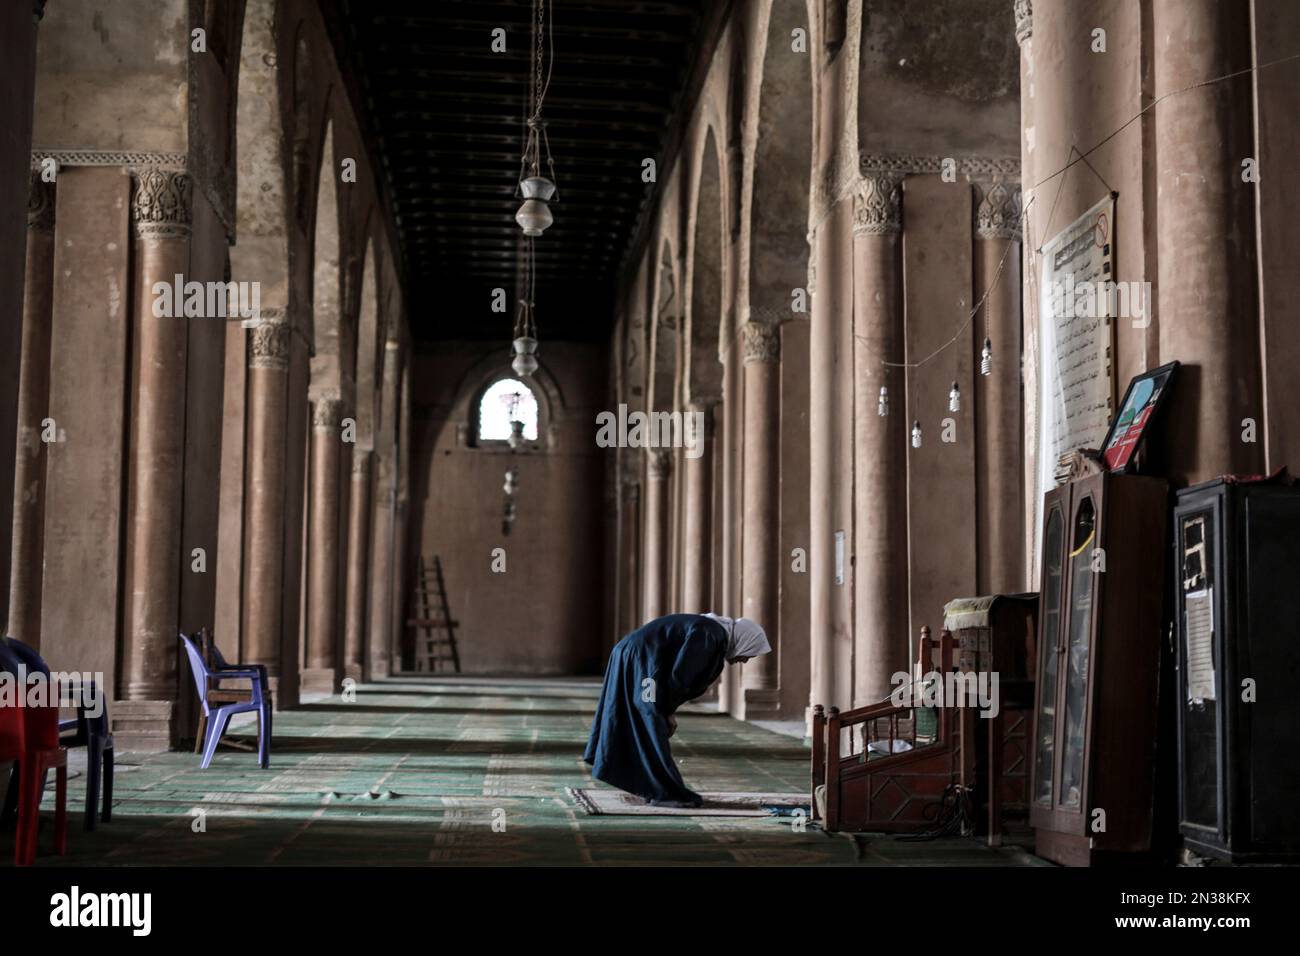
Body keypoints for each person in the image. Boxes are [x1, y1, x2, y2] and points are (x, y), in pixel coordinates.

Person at [582, 612, 771, 807]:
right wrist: (667, 711)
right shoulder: (711, 633)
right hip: (643, 659)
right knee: (651, 721)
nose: (746, 660)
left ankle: (653, 787)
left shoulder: (713, 633)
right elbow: (681, 676)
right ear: (745, 640)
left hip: (636, 656)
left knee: (646, 719)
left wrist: (668, 710)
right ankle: (665, 792)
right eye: (750, 652)